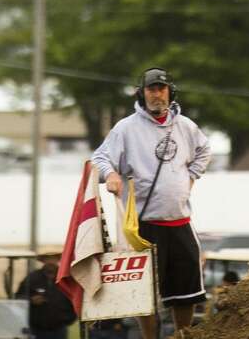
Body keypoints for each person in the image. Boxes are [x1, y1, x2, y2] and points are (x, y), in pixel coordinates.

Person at [91, 67, 212, 339]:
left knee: (186, 290)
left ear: (170, 92)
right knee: (143, 291)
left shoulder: (186, 126)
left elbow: (204, 150)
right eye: (151, 89)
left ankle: (183, 335)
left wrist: (191, 176)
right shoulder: (126, 128)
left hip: (180, 220)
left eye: (161, 88)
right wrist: (110, 174)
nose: (157, 94)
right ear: (142, 93)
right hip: (143, 224)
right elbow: (100, 157)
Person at [14, 253, 77, 339]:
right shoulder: (32, 278)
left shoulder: (66, 278)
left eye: (53, 258)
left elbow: (75, 298)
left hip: (60, 329)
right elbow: (18, 298)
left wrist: (69, 319)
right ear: (43, 261)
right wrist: (31, 300)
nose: (51, 261)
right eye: (48, 259)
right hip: (36, 329)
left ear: (58, 260)